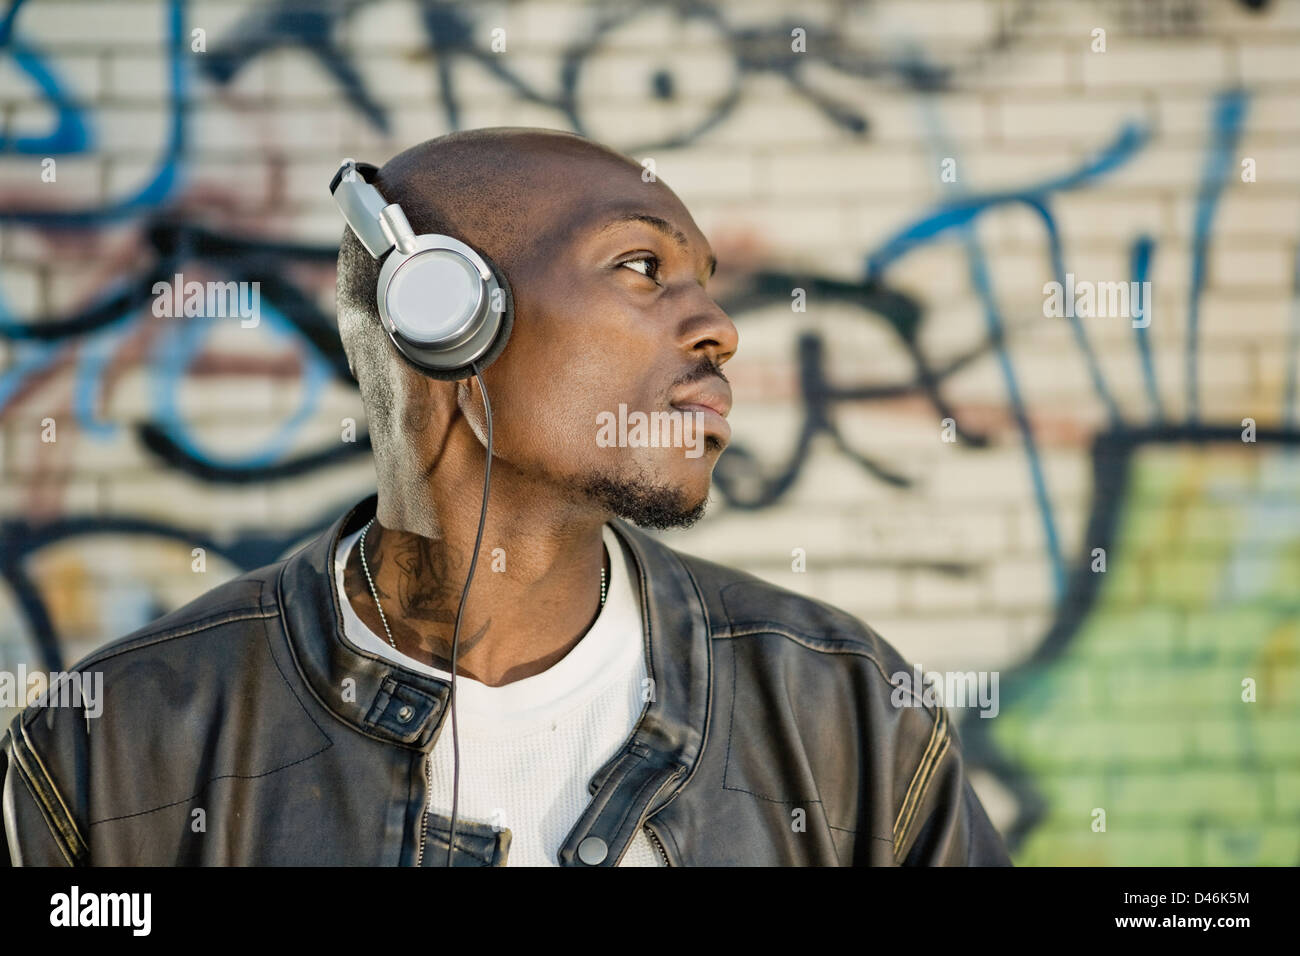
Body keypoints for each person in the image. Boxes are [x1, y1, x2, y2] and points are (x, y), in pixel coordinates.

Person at [1, 127, 1011, 866]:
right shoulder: (125, 738)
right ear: (444, 315)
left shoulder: (843, 712)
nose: (717, 328)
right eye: (642, 265)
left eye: (706, 281)